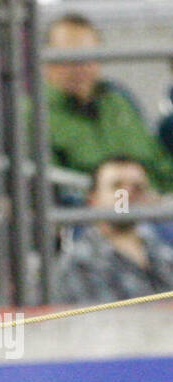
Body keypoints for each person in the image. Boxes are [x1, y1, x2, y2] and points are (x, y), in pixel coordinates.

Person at [44, 14, 173, 194]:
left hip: (154, 209)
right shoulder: (34, 114)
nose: (81, 66)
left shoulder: (118, 102)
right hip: (100, 214)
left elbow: (161, 165)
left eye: (89, 56)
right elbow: (52, 190)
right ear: (46, 63)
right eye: (70, 57)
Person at [51, 157, 173, 304]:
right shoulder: (79, 263)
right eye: (117, 187)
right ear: (93, 198)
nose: (127, 195)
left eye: (138, 187)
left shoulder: (164, 252)